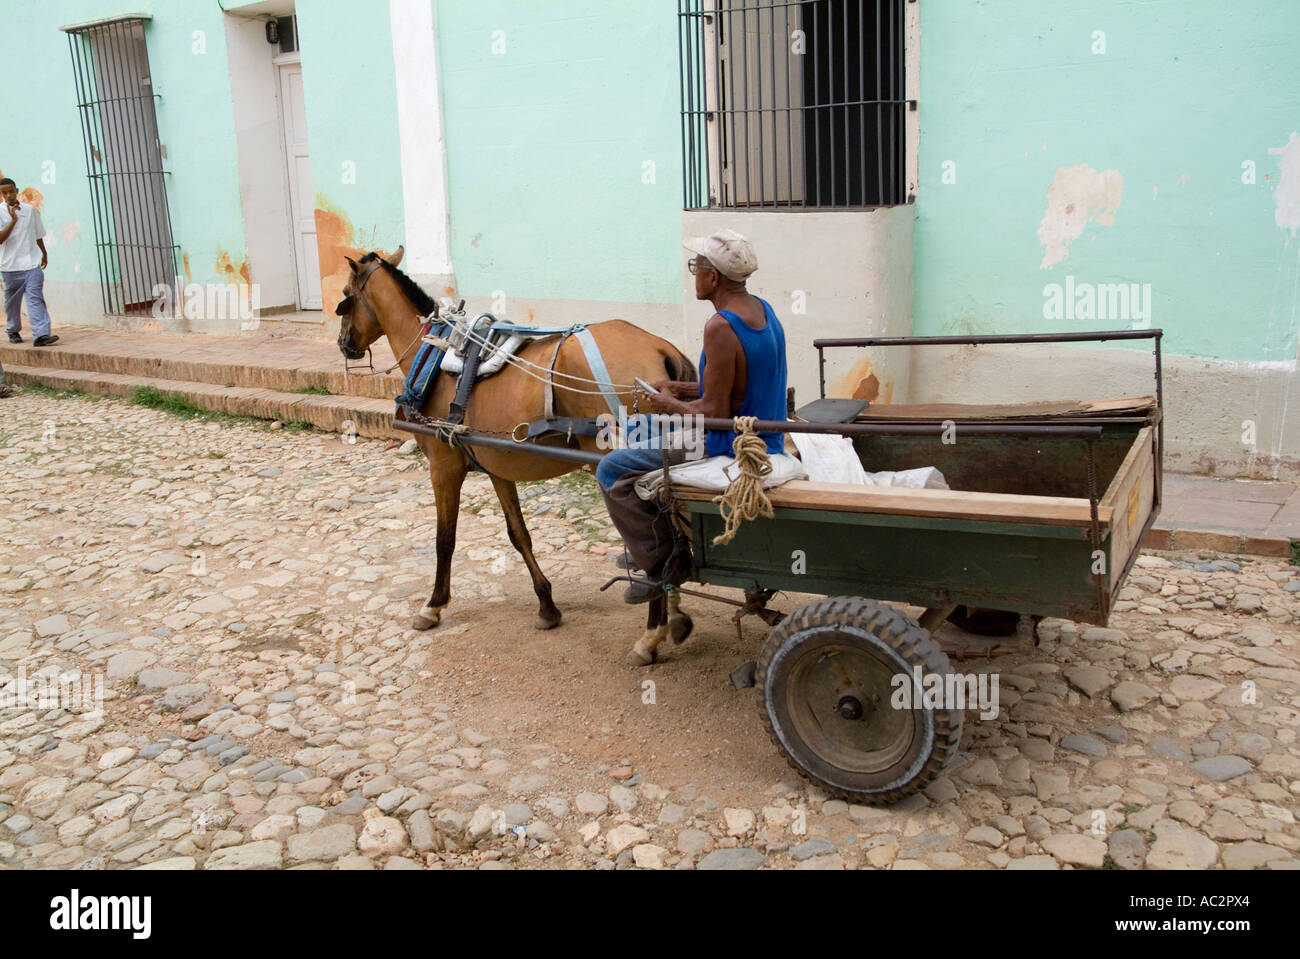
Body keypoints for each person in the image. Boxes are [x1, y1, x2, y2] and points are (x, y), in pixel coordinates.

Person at [596, 228, 788, 603]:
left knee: (611, 468)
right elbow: (733, 389)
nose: (693, 274)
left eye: (695, 267)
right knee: (636, 428)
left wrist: (669, 405)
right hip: (759, 431)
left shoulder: (720, 326)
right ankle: (652, 538)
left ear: (713, 276)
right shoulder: (762, 309)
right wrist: (677, 389)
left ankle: (664, 562)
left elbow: (713, 413)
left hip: (728, 443)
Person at [0, 177, 58, 347]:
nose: (9, 195)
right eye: (4, 192)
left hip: (31, 264)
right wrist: (13, 221)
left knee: (35, 298)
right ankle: (12, 330)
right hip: (9, 266)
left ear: (17, 191)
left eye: (11, 191)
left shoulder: (29, 210)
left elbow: (37, 233)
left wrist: (44, 252)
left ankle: (41, 334)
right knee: (12, 302)